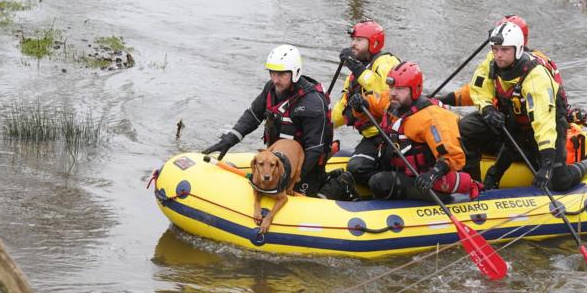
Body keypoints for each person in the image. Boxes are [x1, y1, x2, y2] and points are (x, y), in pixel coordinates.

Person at [457, 20, 587, 192]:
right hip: (514, 122)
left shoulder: (535, 77)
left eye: (504, 50)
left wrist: (547, 164)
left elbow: (543, 122)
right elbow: (478, 88)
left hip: (548, 125)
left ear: (518, 49)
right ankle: (474, 184)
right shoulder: (492, 62)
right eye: (495, 49)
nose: (498, 55)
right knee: (466, 128)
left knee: (558, 181)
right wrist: (487, 108)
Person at [202, 45, 336, 197]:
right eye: (272, 73)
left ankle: (337, 183)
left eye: (281, 74)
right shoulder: (271, 89)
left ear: (295, 73)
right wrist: (230, 139)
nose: (275, 80)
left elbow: (315, 149)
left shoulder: (312, 103)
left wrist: (290, 178)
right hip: (276, 161)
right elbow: (253, 115)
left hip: (305, 168)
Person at [349, 61, 481, 201]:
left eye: (399, 89)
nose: (393, 93)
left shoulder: (432, 118)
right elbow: (372, 103)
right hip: (398, 168)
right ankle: (385, 188)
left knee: (380, 182)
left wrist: (433, 174)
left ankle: (446, 199)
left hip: (424, 177)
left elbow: (453, 157)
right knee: (356, 168)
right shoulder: (391, 102)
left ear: (414, 89)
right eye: (391, 87)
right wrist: (360, 104)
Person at [322, 20, 401, 197]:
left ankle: (390, 190)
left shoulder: (386, 63)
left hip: (391, 134)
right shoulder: (353, 77)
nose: (353, 44)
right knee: (356, 168)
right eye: (353, 40)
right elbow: (344, 107)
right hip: (372, 136)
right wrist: (325, 123)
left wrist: (356, 68)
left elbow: (385, 94)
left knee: (358, 167)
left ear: (373, 43)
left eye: (359, 40)